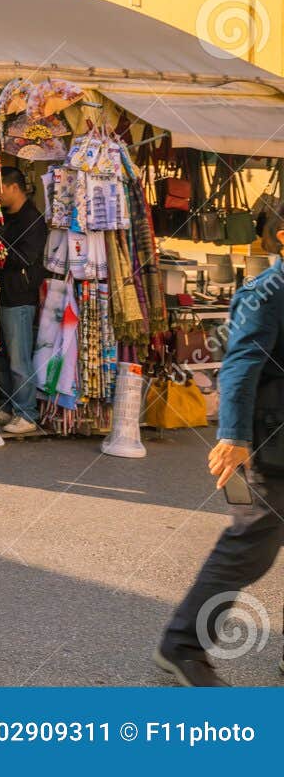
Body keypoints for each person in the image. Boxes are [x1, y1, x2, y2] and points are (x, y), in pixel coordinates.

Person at [157, 207, 284, 686]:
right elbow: (240, 366)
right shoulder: (266, 292)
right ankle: (182, 644)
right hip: (271, 444)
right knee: (250, 545)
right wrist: (233, 437)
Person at [0, 167, 47, 437]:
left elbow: (24, 258)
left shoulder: (33, 220)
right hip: (1, 293)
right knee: (1, 354)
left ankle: (26, 413)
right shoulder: (5, 217)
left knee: (18, 358)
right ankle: (8, 404)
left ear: (14, 187)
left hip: (19, 297)